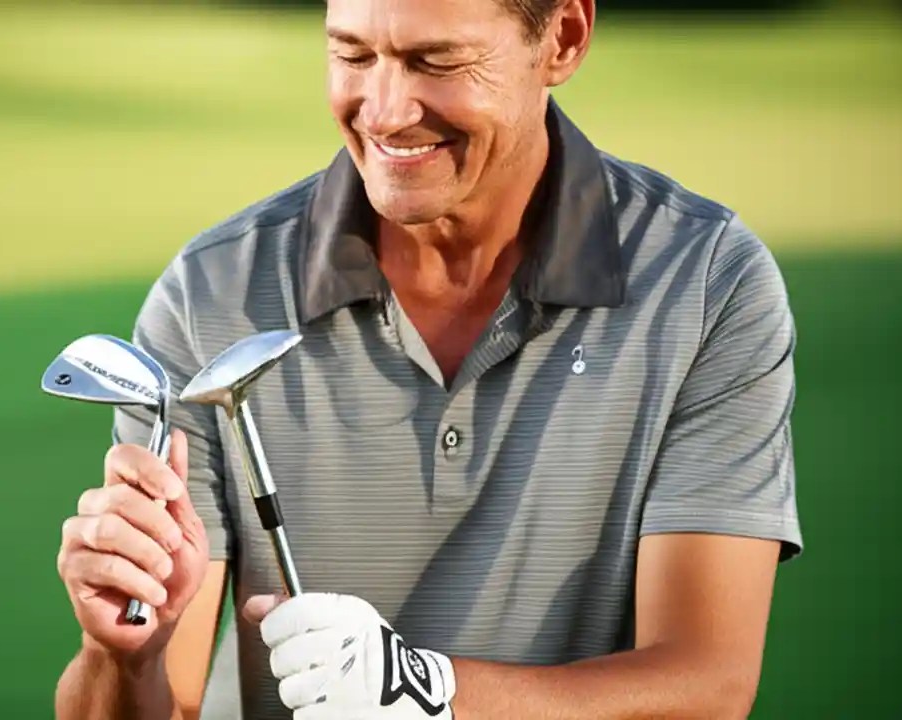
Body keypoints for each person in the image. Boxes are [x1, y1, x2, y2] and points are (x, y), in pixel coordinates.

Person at [53, 0, 803, 717]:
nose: (384, 111)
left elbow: (704, 686)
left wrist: (425, 689)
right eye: (352, 53)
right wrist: (123, 657)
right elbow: (159, 704)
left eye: (435, 60)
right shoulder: (212, 292)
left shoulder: (704, 282)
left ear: (564, 38)